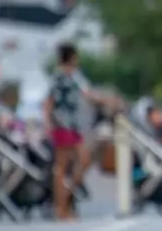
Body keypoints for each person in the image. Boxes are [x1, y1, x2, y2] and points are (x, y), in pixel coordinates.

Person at [44, 42, 115, 221]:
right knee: (61, 167)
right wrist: (47, 123)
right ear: (72, 57)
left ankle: (66, 197)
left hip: (73, 126)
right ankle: (61, 207)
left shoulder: (74, 76)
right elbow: (49, 101)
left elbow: (88, 94)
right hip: (62, 124)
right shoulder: (59, 76)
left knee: (82, 160)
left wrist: (106, 99)